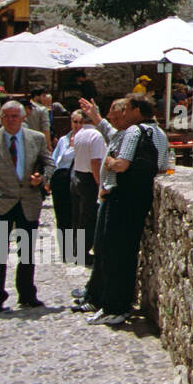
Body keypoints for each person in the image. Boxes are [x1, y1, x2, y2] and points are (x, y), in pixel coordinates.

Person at [86, 96, 168, 325]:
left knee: (113, 253)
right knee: (127, 253)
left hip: (122, 198)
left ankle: (114, 307)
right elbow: (163, 167)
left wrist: (109, 163)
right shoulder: (159, 133)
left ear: (135, 110)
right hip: (141, 199)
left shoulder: (134, 131)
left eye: (126, 110)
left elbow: (122, 163)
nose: (123, 115)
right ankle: (117, 304)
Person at [0, 101, 50, 312]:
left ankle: (27, 294)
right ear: (1, 118)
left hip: (28, 202)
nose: (10, 120)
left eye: (14, 116)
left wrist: (42, 178)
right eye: (6, 116)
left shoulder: (36, 139)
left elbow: (49, 163)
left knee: (27, 252)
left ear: (23, 118)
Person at [70, 99, 108, 271]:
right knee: (88, 218)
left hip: (77, 176)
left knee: (79, 217)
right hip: (88, 179)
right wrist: (99, 184)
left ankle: (78, 250)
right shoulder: (96, 135)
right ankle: (83, 253)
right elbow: (95, 162)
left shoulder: (79, 134)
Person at [47, 110, 84, 264]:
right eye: (74, 122)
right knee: (61, 216)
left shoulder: (86, 140)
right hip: (60, 180)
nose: (77, 125)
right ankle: (65, 251)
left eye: (80, 122)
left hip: (75, 180)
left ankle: (78, 251)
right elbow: (55, 159)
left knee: (76, 216)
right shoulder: (63, 139)